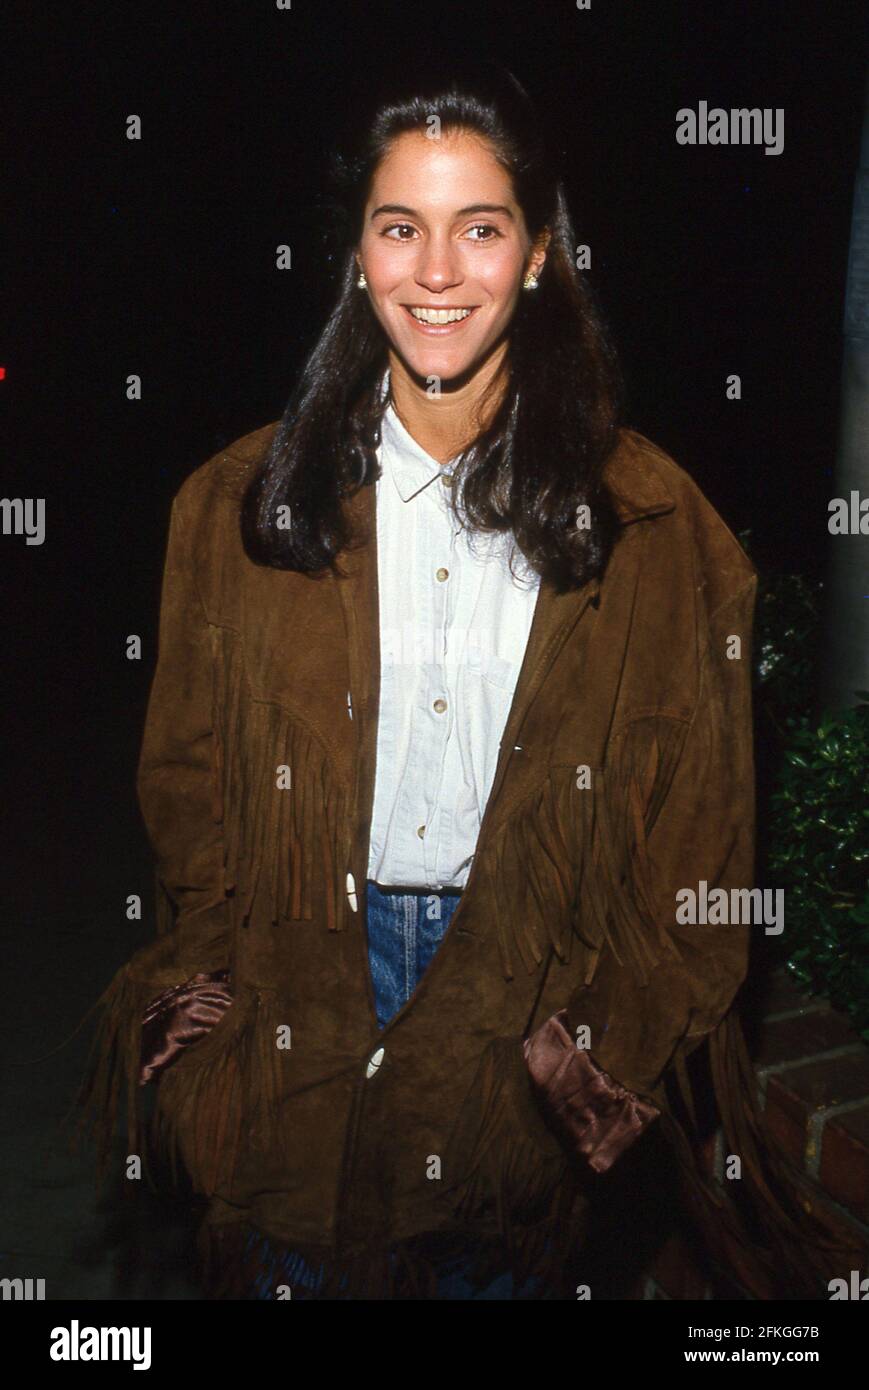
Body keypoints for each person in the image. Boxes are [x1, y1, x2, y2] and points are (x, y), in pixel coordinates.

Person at [74, 61, 836, 1301]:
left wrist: (583, 1061)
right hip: (302, 980)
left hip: (517, 988)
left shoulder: (655, 525)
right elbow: (186, 784)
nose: (436, 272)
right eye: (399, 228)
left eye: (479, 227)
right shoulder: (236, 505)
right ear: (356, 256)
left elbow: (702, 849)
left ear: (537, 252)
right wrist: (208, 1000)